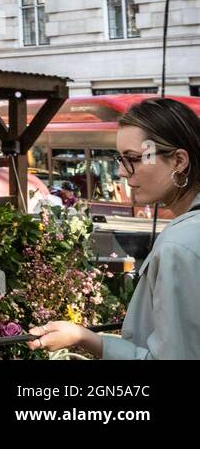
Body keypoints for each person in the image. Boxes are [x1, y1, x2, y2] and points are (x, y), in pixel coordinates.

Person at [28, 97, 200, 360]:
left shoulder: (178, 245)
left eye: (133, 159)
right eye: (119, 158)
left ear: (178, 161)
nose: (121, 172)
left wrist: (84, 338)